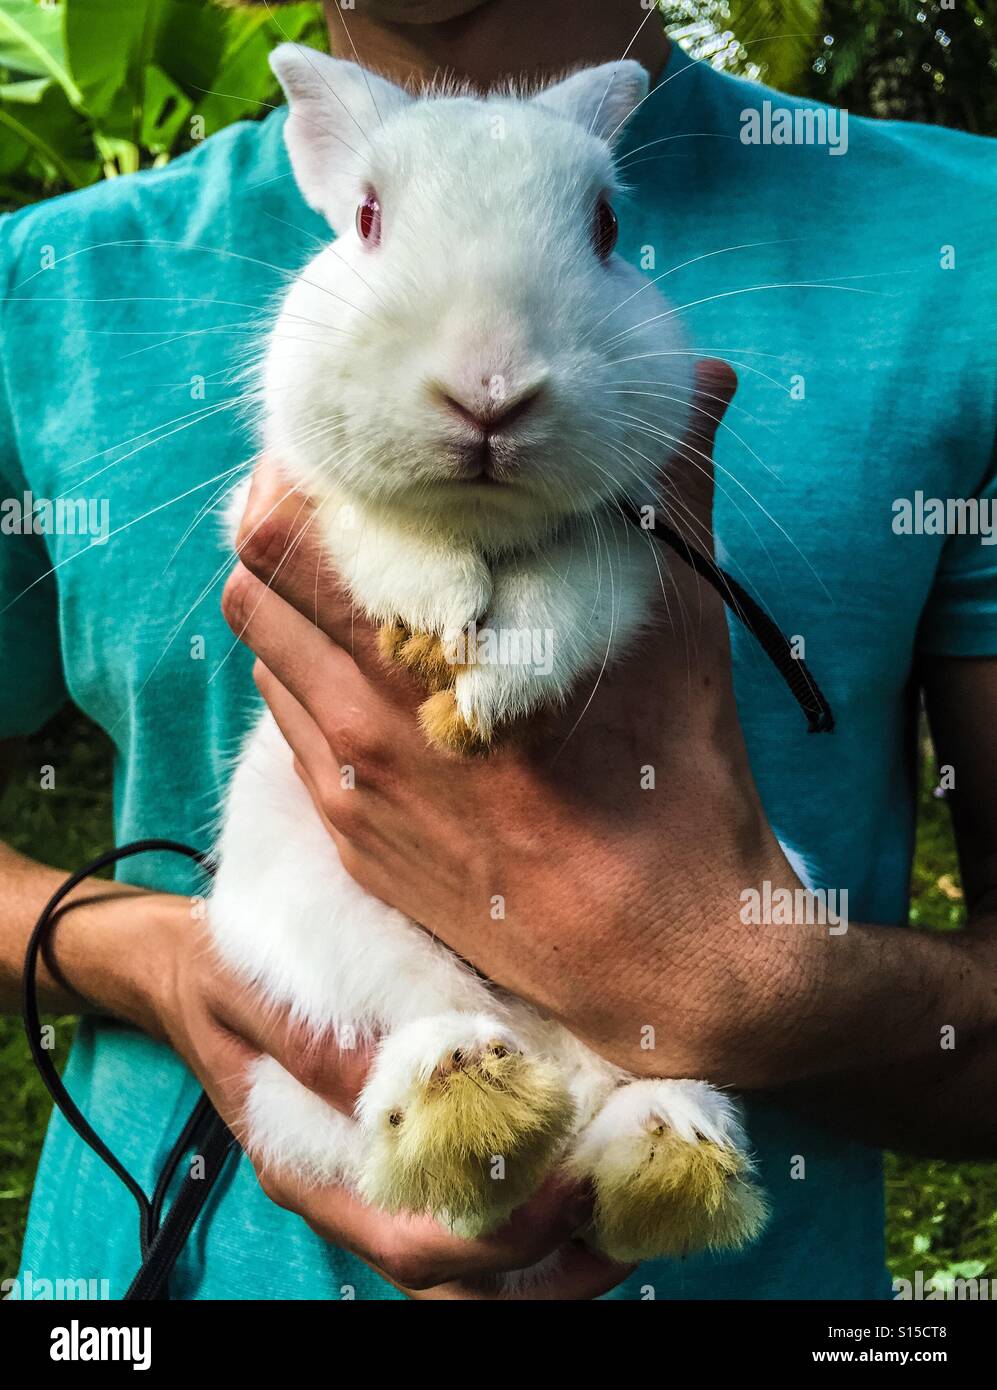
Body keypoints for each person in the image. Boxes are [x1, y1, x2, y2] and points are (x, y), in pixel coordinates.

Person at [1, 0, 995, 1301]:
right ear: (336, 186)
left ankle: (646, 1127)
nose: (488, 377)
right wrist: (166, 961)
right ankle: (441, 1076)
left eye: (588, 235)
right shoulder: (42, 283)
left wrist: (769, 990)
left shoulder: (961, 244)